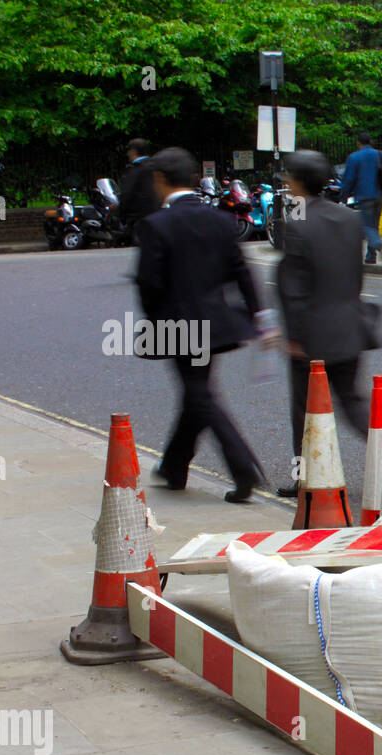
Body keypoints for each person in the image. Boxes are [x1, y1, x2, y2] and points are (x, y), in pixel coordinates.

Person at [137, 147, 268, 503]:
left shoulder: (156, 225)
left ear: (160, 180)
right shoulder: (220, 220)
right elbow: (241, 270)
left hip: (178, 326)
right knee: (196, 392)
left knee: (200, 396)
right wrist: (260, 315)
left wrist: (155, 324)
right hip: (217, 323)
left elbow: (149, 284)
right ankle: (174, 467)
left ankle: (244, 468)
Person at [274, 150, 375, 498]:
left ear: (299, 182)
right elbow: (356, 275)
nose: (285, 182)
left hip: (313, 337)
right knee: (352, 401)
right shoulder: (348, 219)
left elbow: (294, 288)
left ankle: (306, 478)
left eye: (289, 176)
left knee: (304, 411)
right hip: (350, 326)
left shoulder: (297, 223)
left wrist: (295, 337)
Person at [339, 132, 382, 264]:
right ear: (371, 142)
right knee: (374, 225)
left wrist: (343, 196)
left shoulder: (354, 157)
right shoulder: (381, 155)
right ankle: (371, 256)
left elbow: (348, 179)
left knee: (366, 225)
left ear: (358, 143)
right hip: (380, 195)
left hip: (365, 196)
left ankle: (377, 244)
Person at [116, 138, 157, 244]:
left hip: (138, 217)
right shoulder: (156, 167)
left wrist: (122, 215)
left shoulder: (134, 170)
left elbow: (127, 194)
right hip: (158, 215)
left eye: (128, 151)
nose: (127, 154)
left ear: (133, 151)